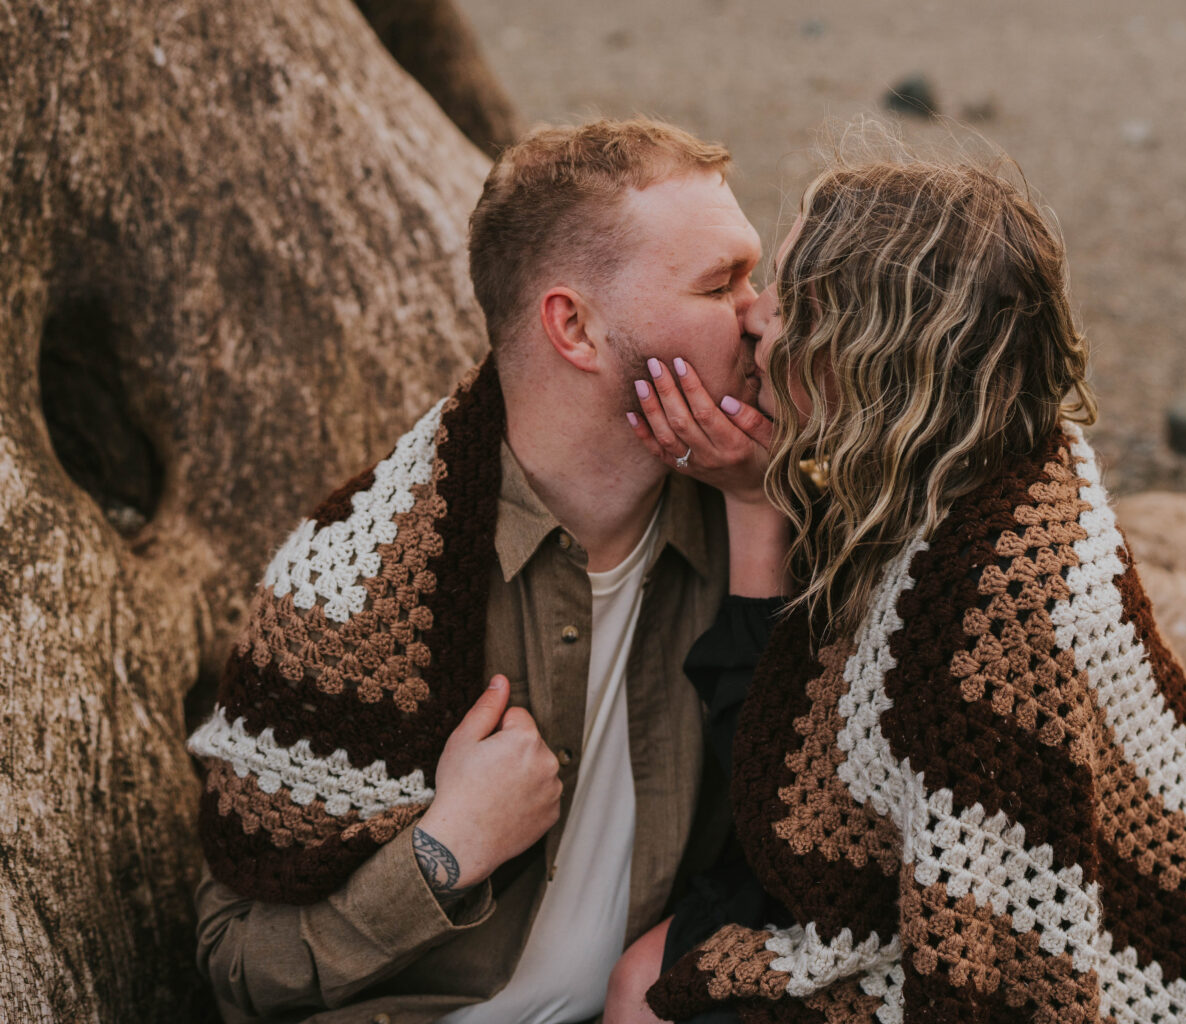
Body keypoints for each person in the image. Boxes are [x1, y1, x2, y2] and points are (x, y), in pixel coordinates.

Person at [604, 142, 1186, 1022]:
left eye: (789, 299)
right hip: (1019, 904)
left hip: (1153, 967)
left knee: (653, 996)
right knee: (651, 975)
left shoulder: (992, 605)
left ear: (866, 348)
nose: (755, 318)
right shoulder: (955, 462)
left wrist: (751, 505)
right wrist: (763, 486)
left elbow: (823, 844)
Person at [187, 117, 767, 1024]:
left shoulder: (760, 521)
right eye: (721, 284)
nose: (762, 313)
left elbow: (820, 846)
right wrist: (443, 853)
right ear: (574, 326)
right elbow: (237, 966)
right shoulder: (356, 586)